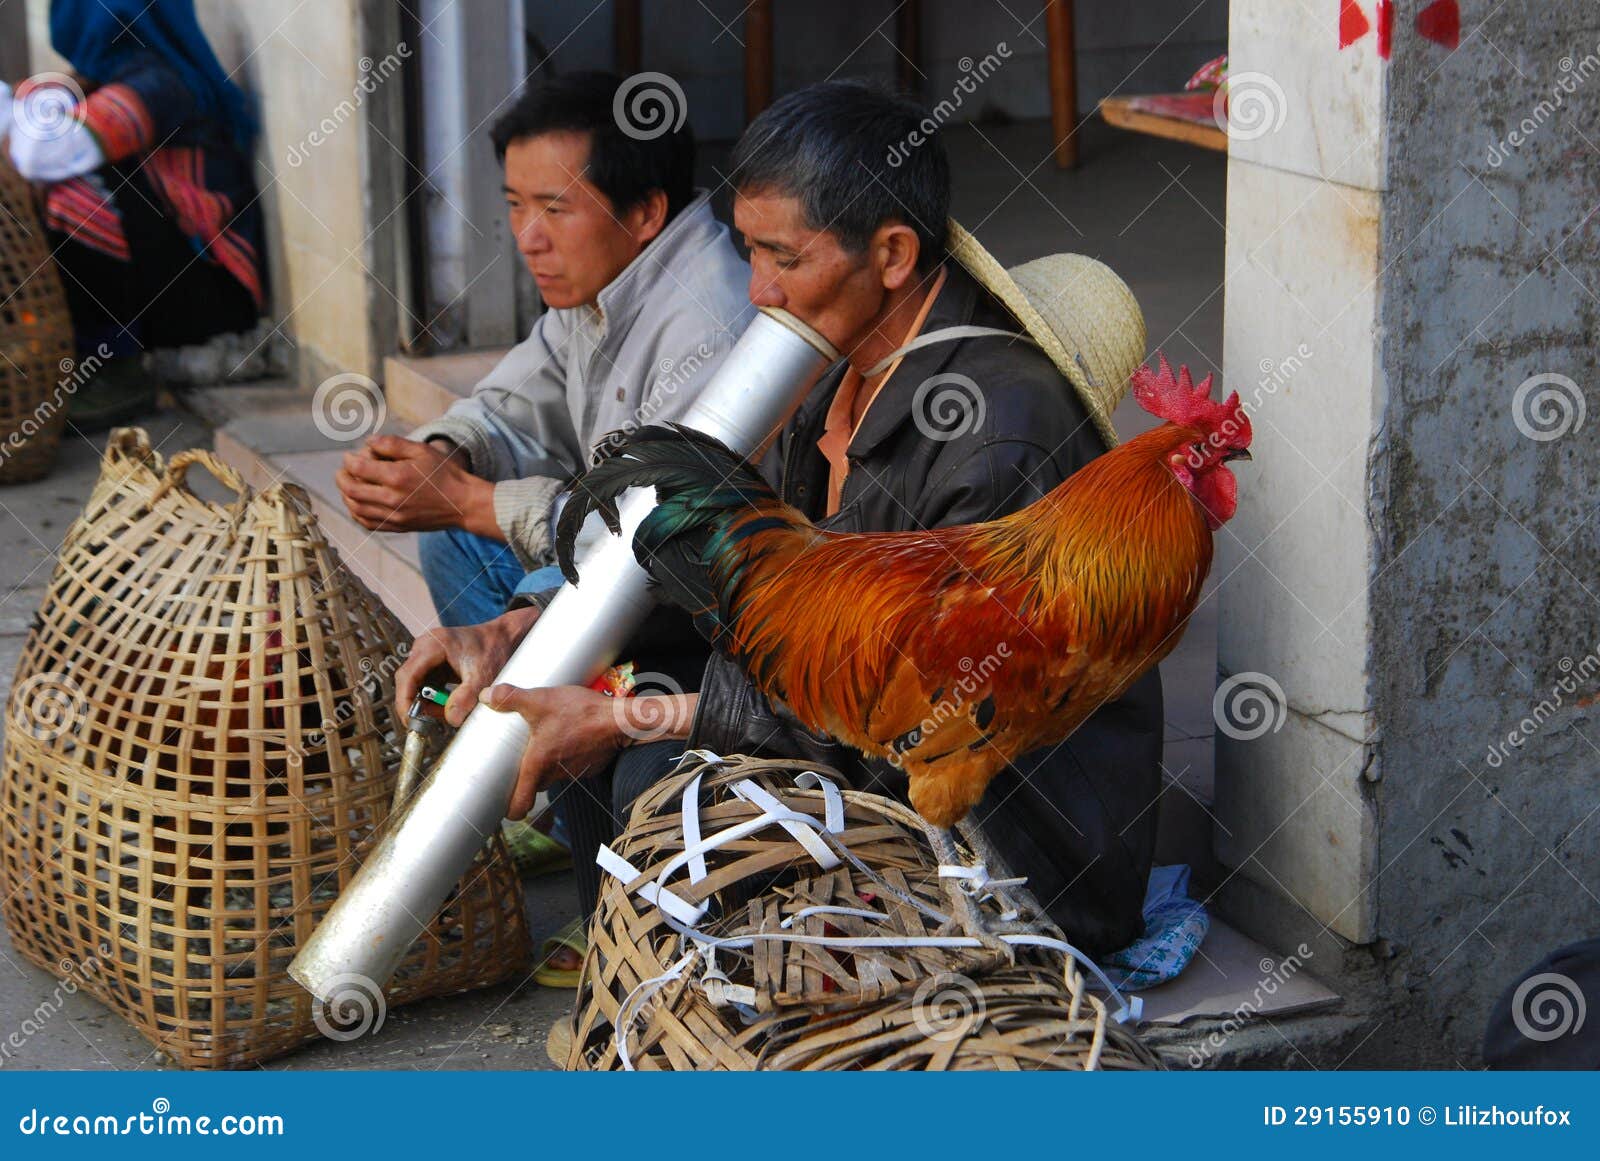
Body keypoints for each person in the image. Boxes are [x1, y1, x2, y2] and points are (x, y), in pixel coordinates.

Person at [396, 79, 1165, 987]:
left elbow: (910, 711)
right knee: (610, 680)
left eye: (783, 257)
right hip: (862, 722)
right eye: (748, 250)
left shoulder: (996, 434)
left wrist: (635, 716)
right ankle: (643, 980)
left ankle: (703, 1003)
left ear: (891, 254)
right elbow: (752, 586)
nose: (757, 290)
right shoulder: (833, 363)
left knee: (659, 770)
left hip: (1005, 842)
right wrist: (525, 630)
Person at [335, 71, 752, 629]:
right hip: (631, 562)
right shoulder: (602, 283)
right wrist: (438, 458)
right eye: (516, 204)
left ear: (645, 213)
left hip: (704, 608)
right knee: (453, 539)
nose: (527, 238)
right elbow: (514, 406)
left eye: (554, 210)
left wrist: (468, 500)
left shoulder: (711, 325)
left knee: (544, 591)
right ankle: (502, 677)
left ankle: (518, 682)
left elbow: (653, 535)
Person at [1, 0, 265, 428]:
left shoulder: (155, 83)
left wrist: (35, 103)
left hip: (209, 296)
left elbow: (39, 156)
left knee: (71, 197)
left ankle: (116, 366)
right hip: (171, 274)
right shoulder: (106, 79)